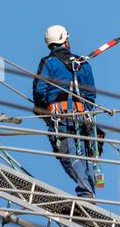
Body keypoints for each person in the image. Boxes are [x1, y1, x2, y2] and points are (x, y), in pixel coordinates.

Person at [32, 25, 101, 198]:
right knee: (84, 156)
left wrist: (43, 110)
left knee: (69, 155)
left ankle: (86, 193)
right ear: (66, 40)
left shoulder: (48, 63)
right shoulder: (82, 63)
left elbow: (40, 90)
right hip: (83, 117)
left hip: (60, 118)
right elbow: (90, 94)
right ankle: (89, 192)